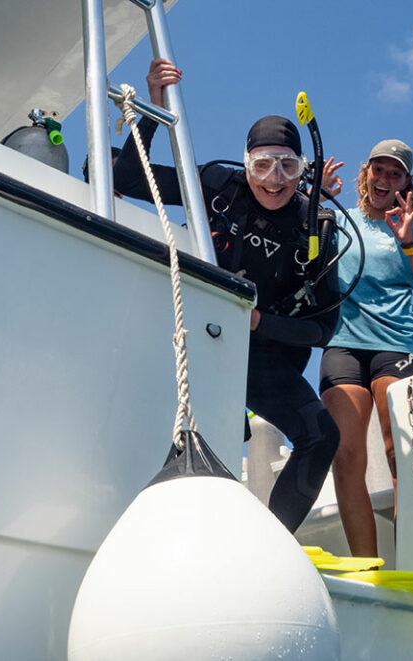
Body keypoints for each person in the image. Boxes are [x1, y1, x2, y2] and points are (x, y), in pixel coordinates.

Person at [113, 59, 340, 533]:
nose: (275, 179)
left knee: (322, 436)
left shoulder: (315, 226)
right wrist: (153, 110)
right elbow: (126, 179)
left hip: (264, 356)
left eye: (288, 165)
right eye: (262, 164)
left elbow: (323, 328)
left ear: (303, 170)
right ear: (246, 161)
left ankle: (273, 540)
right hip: (201, 335)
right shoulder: (220, 187)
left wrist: (259, 323)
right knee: (197, 430)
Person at [319, 139, 413, 557]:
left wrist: (409, 241)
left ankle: (412, 562)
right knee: (345, 456)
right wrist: (315, 200)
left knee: (403, 456)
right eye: (378, 169)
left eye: (395, 173)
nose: (384, 178)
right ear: (366, 173)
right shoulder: (336, 218)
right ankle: (368, 568)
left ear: (406, 183)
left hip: (399, 344)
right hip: (342, 343)